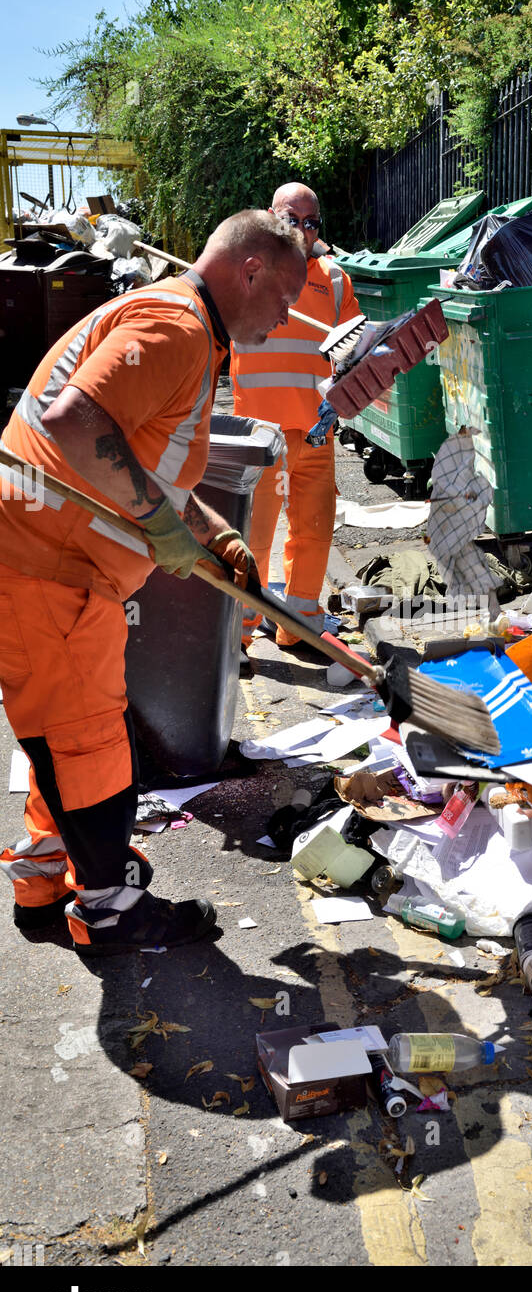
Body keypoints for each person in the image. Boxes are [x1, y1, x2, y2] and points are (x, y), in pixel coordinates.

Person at [0, 210, 307, 955]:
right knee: (93, 745)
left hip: (43, 562)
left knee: (59, 739)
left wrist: (210, 530)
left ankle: (47, 882)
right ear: (251, 268)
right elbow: (75, 420)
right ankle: (110, 911)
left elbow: (143, 458)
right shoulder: (177, 330)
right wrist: (156, 524)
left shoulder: (176, 321)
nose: (288, 313)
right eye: (285, 294)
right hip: (56, 570)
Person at [230, 183, 363, 653]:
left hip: (314, 431)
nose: (303, 230)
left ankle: (299, 625)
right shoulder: (246, 271)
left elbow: (353, 350)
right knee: (253, 538)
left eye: (311, 222)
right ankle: (236, 638)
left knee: (313, 531)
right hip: (259, 434)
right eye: (292, 219)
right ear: (271, 216)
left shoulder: (336, 280)